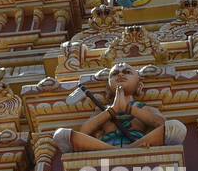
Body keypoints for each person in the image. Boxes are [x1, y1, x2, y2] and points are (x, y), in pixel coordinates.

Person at [54, 63, 186, 151]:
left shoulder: (143, 108)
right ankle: (117, 151)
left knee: (176, 127)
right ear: (108, 87)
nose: (120, 75)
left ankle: (129, 149)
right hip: (106, 146)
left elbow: (161, 123)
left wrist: (128, 108)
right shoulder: (102, 110)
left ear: (139, 86)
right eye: (115, 73)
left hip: (138, 142)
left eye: (127, 72)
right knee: (61, 135)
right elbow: (83, 131)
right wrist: (113, 110)